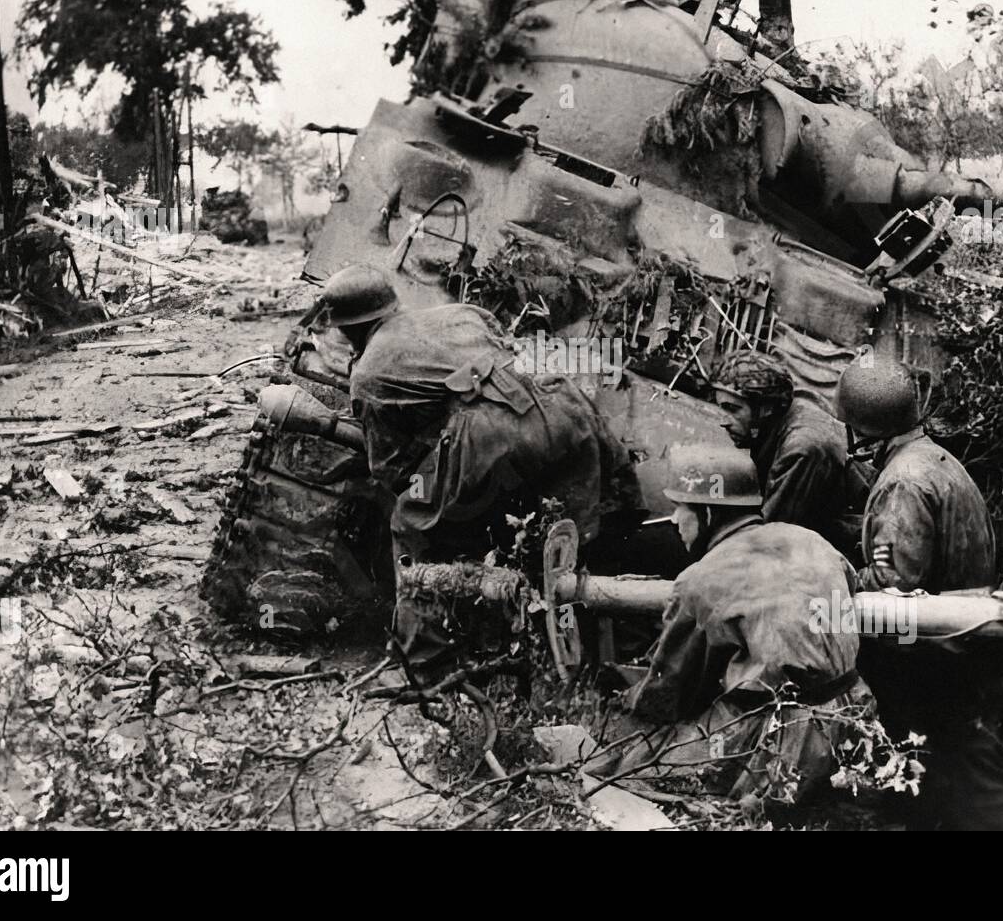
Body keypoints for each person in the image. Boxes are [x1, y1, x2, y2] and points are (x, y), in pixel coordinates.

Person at [335, 264, 639, 662]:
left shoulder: (368, 374)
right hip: (561, 404)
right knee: (580, 526)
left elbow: (391, 469)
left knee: (410, 522)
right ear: (391, 302)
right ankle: (620, 635)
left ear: (345, 328)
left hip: (494, 434)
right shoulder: (460, 312)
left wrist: (438, 485)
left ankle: (425, 661)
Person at [618, 443, 869, 808]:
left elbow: (671, 689)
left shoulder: (701, 580)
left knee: (638, 773)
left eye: (679, 508)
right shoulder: (811, 541)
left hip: (784, 736)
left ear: (706, 512)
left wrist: (630, 705)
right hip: (856, 715)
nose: (674, 521)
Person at [835, 354, 1003, 830]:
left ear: (863, 429)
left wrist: (841, 580)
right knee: (959, 780)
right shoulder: (937, 460)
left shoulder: (903, 482)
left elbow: (892, 587)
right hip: (967, 649)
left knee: (964, 787)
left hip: (933, 663)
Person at [709, 350, 870, 559]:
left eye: (733, 409)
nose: (723, 420)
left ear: (765, 408)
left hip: (850, 549)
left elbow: (771, 536)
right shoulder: (784, 416)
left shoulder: (801, 449)